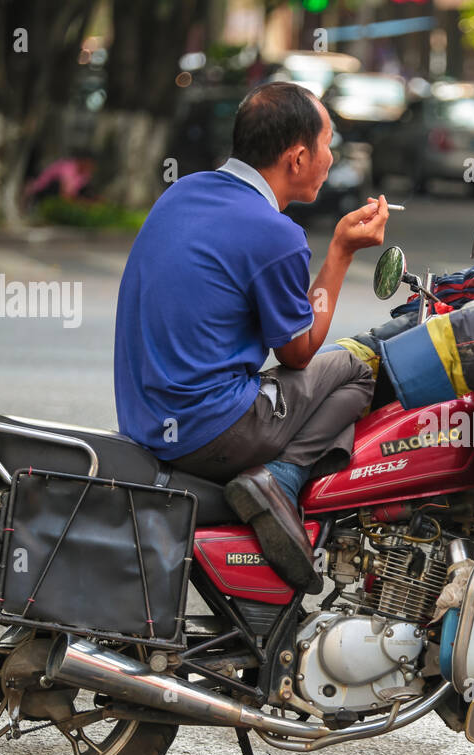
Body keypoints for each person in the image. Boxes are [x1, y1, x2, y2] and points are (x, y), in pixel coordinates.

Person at [114, 82, 387, 591]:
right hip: (210, 428)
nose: (332, 159)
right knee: (358, 367)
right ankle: (279, 482)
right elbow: (300, 353)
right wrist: (340, 255)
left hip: (147, 418)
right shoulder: (275, 233)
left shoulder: (182, 191)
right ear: (298, 156)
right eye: (328, 145)